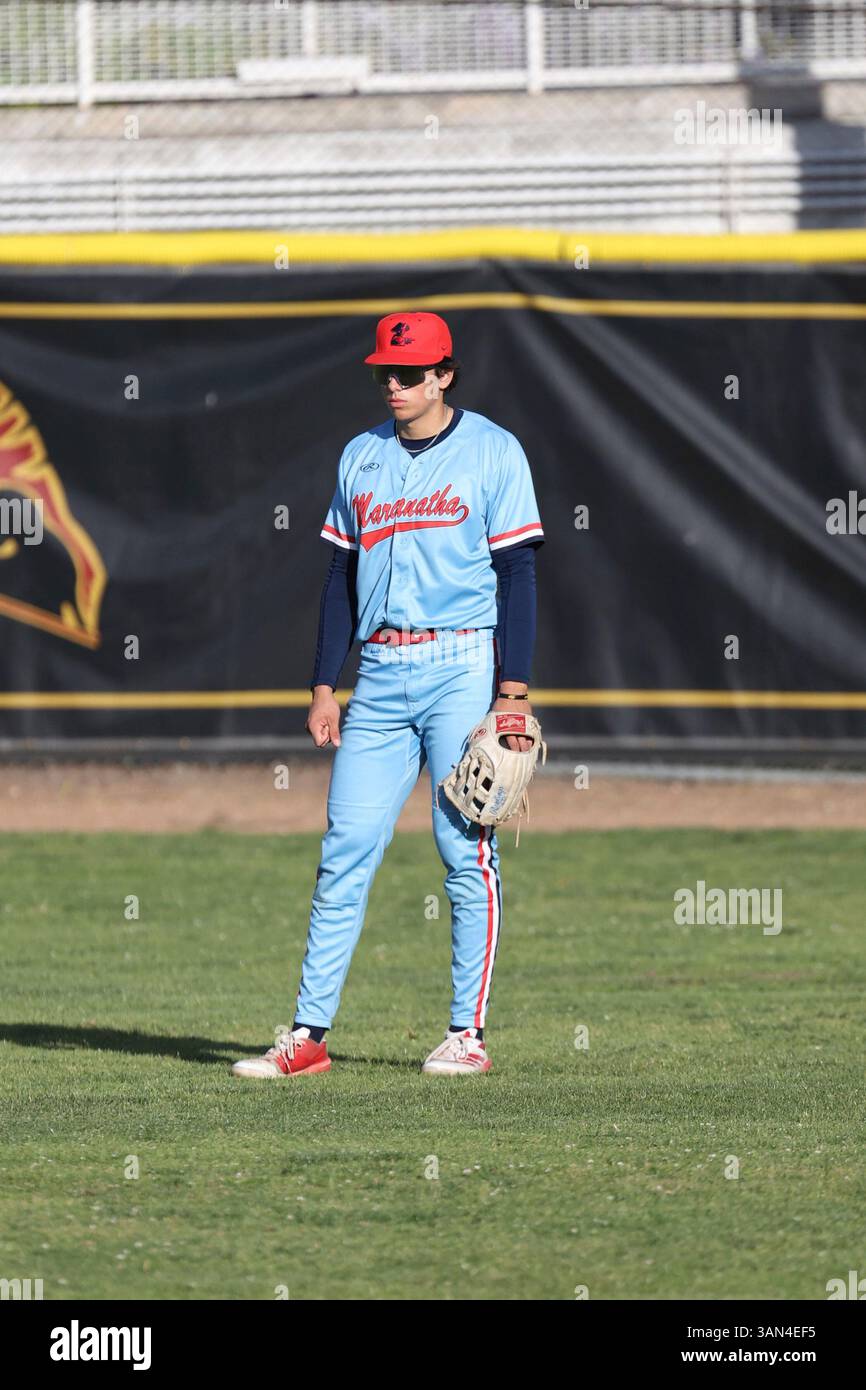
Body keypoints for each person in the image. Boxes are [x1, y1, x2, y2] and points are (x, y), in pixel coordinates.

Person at [233, 311, 543, 1079]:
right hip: (377, 674)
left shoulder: (494, 452)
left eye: (411, 372)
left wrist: (513, 693)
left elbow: (520, 576)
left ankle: (465, 1036)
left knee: (464, 849)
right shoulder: (361, 458)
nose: (395, 385)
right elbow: (338, 577)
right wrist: (322, 684)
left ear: (445, 374)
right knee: (344, 852)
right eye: (386, 373)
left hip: (461, 667)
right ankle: (307, 1038)